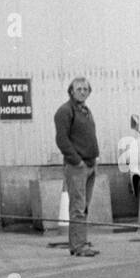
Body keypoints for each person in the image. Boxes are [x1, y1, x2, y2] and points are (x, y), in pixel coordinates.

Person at [54, 76, 101, 257]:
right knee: (78, 207)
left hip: (90, 164)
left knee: (84, 207)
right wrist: (77, 161)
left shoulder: (85, 110)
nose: (82, 92)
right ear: (71, 91)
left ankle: (80, 242)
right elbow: (62, 139)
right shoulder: (65, 111)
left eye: (85, 89)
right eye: (79, 89)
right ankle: (79, 245)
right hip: (77, 167)